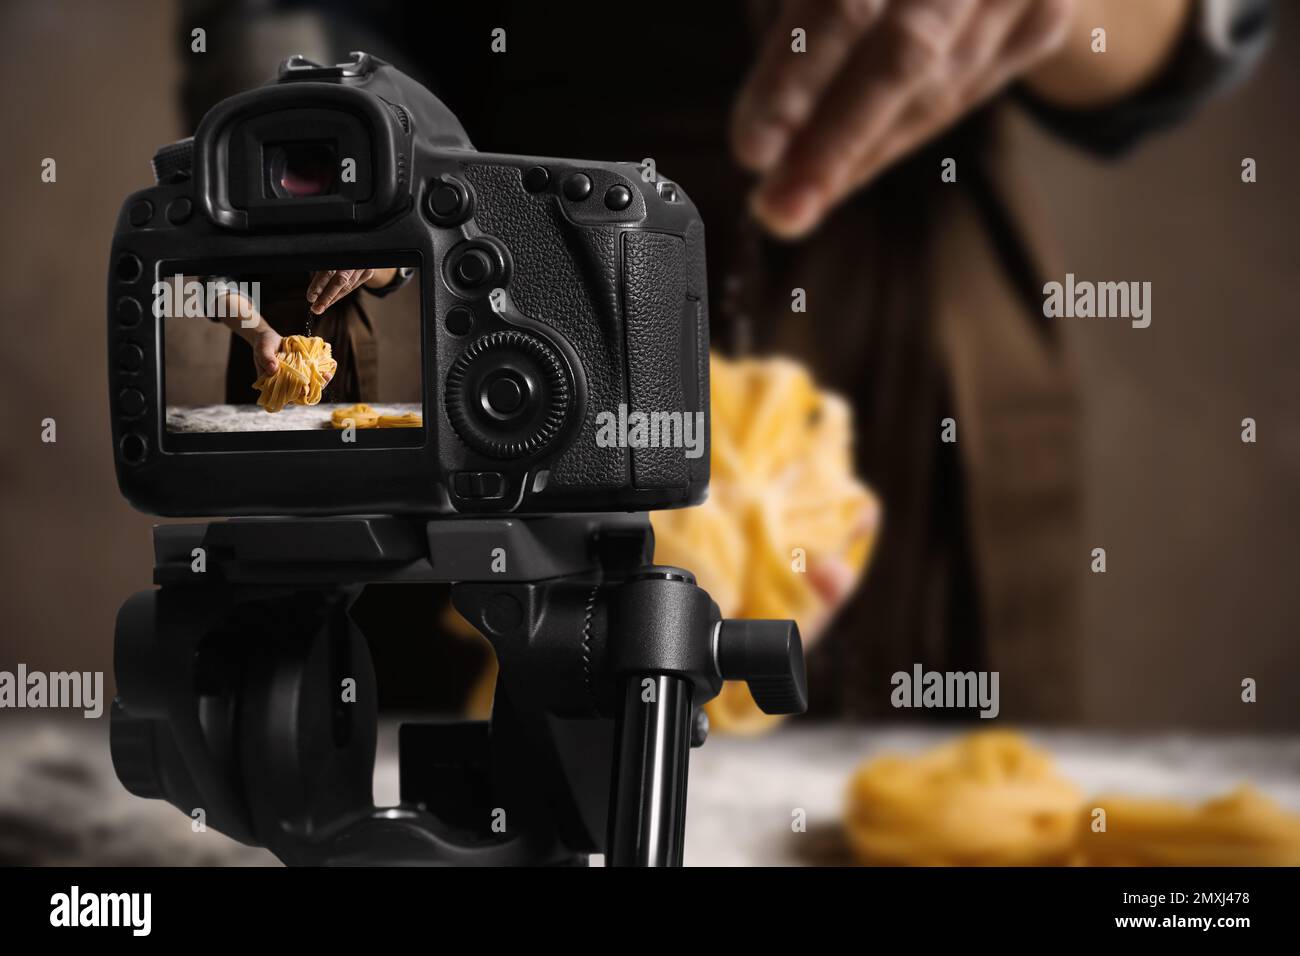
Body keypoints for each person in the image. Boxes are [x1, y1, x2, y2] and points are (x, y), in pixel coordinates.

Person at [180, 0, 1270, 720]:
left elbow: (1201, 34)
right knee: (504, 777)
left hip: (916, 342)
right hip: (493, 298)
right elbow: (273, 23)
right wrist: (351, 195)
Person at [206, 267, 409, 404]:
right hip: (256, 329)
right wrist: (260, 332)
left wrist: (369, 261)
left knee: (354, 445)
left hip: (345, 335)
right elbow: (214, 283)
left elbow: (399, 271)